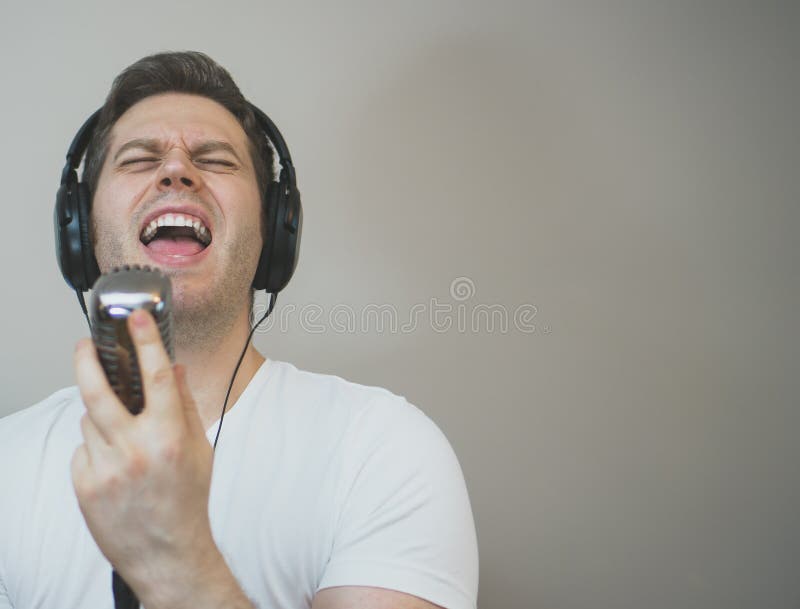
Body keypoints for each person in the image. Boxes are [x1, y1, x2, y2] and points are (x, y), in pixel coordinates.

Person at [0, 52, 478, 609]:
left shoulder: (382, 449)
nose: (176, 172)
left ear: (274, 229)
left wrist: (173, 560)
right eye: (140, 159)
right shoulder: (7, 462)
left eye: (215, 160)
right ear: (80, 228)